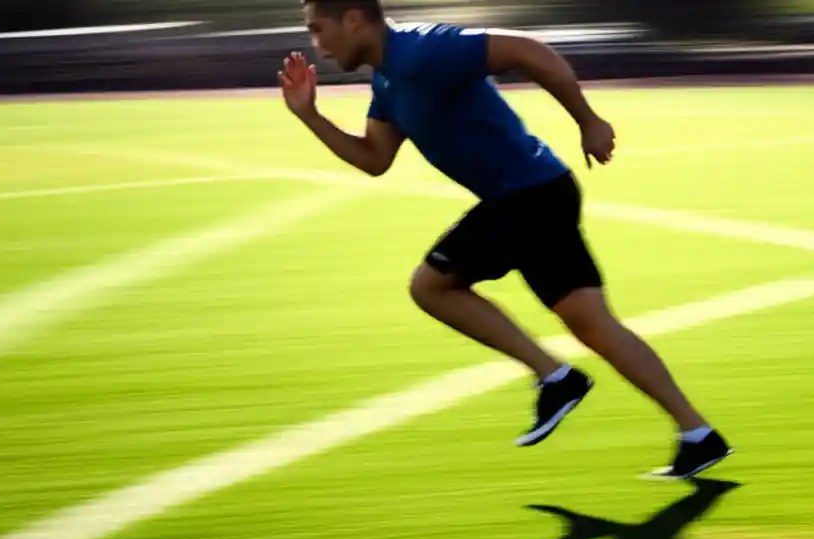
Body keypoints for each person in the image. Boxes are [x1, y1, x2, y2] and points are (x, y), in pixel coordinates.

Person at [279, 0, 732, 478]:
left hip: (527, 196)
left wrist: (588, 120)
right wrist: (309, 115)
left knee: (430, 286)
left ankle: (556, 378)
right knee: (593, 325)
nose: (317, 45)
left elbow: (527, 49)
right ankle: (698, 435)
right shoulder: (388, 81)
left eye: (317, 29)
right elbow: (374, 158)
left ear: (352, 18)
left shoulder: (425, 50)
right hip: (536, 194)